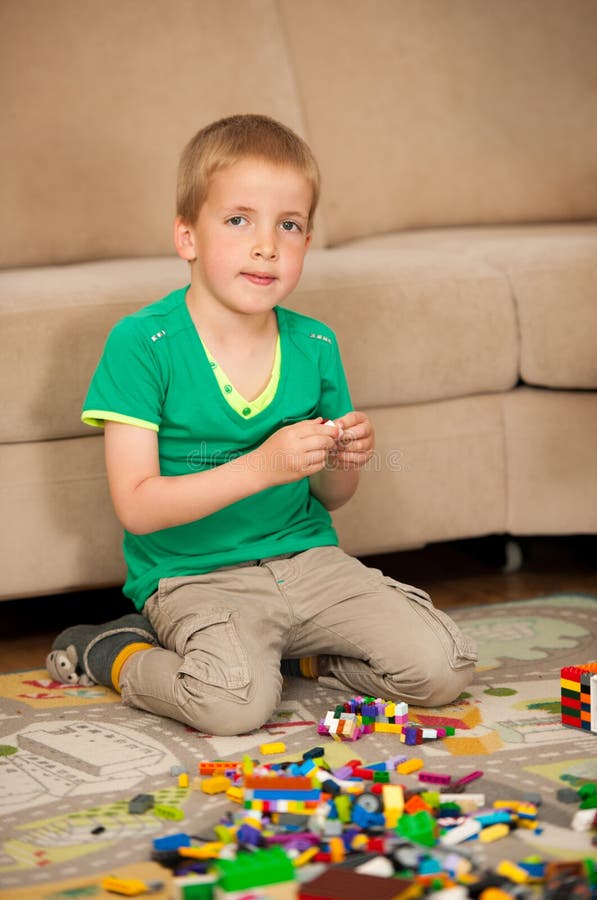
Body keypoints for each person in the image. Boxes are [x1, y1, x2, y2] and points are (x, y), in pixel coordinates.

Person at [47, 114, 477, 735]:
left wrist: (344, 461)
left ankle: (301, 652)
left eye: (290, 225)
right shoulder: (143, 343)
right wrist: (262, 466)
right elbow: (136, 507)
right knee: (232, 705)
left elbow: (333, 497)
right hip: (197, 575)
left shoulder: (315, 342)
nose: (266, 245)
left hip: (309, 562)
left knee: (442, 668)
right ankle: (115, 651)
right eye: (239, 219)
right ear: (187, 236)